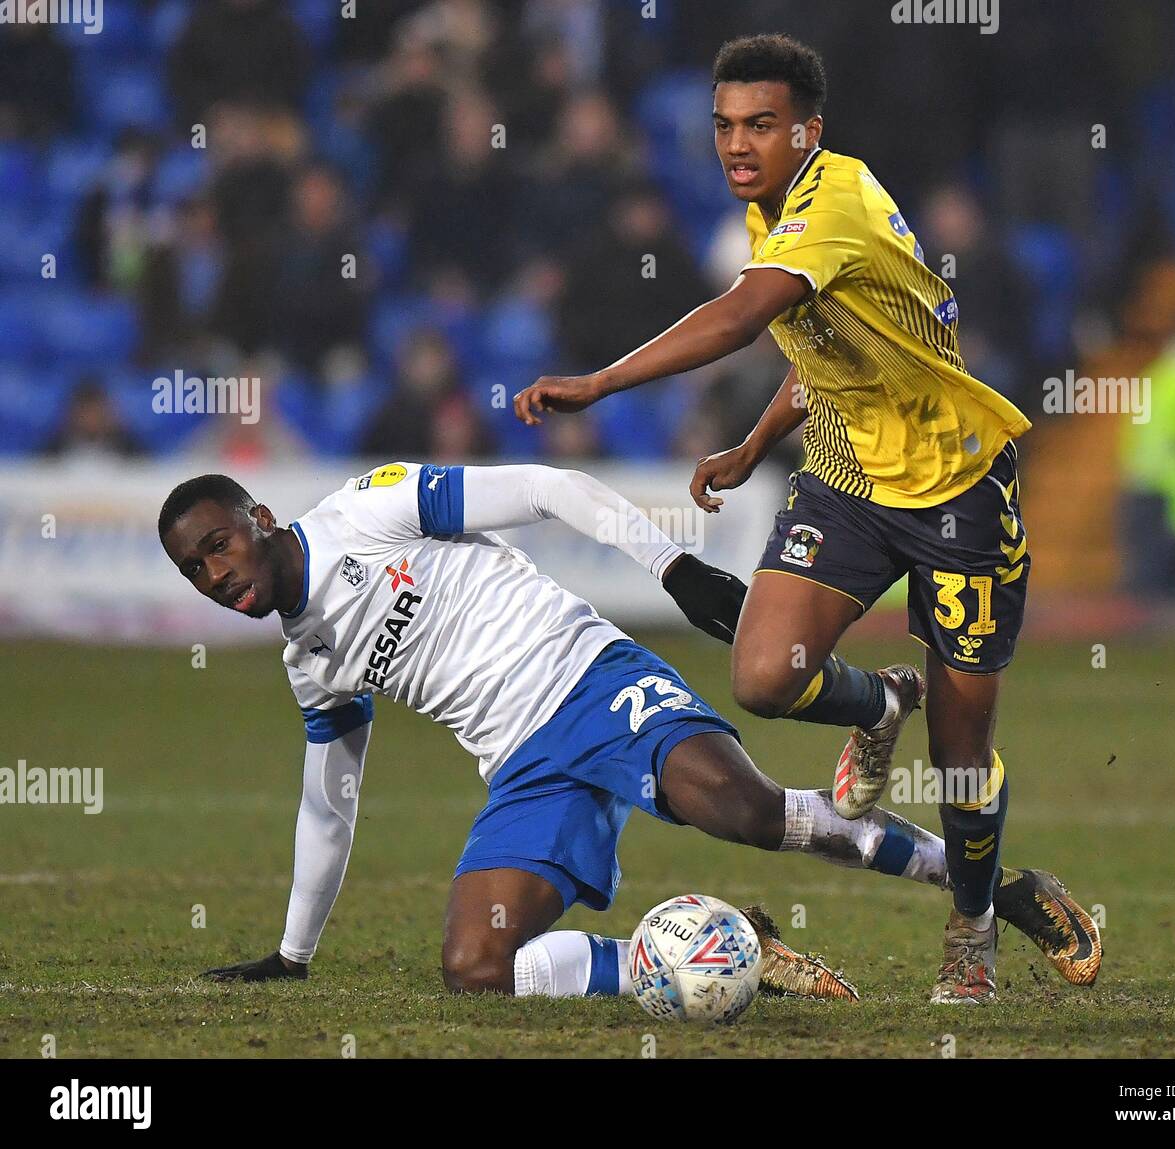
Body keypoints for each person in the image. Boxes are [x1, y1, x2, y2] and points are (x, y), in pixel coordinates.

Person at [512, 35, 1075, 1002]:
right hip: (848, 473)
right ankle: (876, 702)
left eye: (761, 126)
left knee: (961, 753)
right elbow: (826, 345)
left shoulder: (836, 200)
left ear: (807, 132)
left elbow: (742, 315)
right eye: (725, 126)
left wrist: (602, 381)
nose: (738, 144)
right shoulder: (773, 212)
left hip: (955, 486)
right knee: (766, 676)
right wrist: (752, 442)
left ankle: (974, 924)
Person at [158, 460, 1099, 1003]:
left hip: (591, 678)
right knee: (476, 967)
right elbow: (330, 803)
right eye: (195, 571)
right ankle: (721, 950)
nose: (216, 574)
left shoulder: (368, 510)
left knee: (745, 809)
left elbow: (544, 486)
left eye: (219, 546)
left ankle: (995, 886)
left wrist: (674, 566)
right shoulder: (309, 662)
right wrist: (292, 953)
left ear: (261, 518)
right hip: (524, 769)